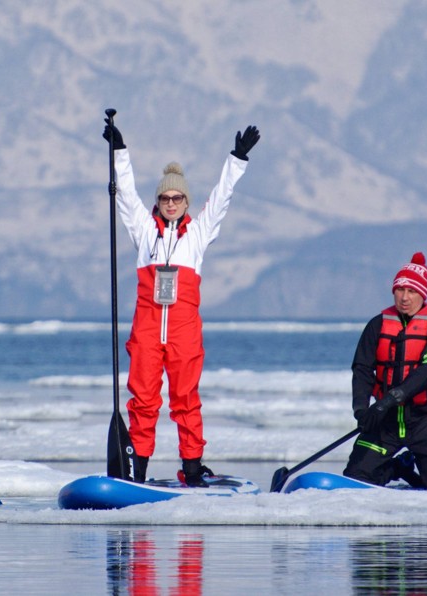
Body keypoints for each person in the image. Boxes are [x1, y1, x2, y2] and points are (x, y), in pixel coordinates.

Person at [102, 117, 260, 487]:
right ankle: (137, 471)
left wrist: (236, 159)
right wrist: (120, 151)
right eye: (164, 198)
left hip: (184, 330)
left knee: (185, 399)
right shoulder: (144, 231)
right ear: (157, 201)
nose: (170, 203)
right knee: (142, 400)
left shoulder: (198, 235)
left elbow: (221, 200)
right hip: (146, 328)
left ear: (186, 201)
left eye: (177, 198)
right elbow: (125, 194)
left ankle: (191, 469)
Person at [344, 252, 427, 489]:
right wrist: (362, 410)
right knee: (355, 479)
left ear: (422, 294)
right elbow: (362, 369)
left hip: (424, 419)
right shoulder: (377, 324)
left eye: (412, 291)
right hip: (385, 421)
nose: (405, 297)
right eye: (400, 290)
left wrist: (391, 398)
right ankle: (398, 467)